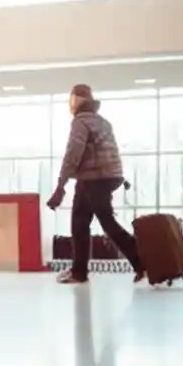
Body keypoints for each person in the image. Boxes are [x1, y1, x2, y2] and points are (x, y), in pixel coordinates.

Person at [48, 84, 144, 284]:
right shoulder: (102, 122)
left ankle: (138, 260)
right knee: (92, 221)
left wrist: (61, 185)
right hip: (108, 176)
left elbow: (73, 154)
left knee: (83, 223)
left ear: (75, 101)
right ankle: (81, 269)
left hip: (95, 178)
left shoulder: (80, 122)